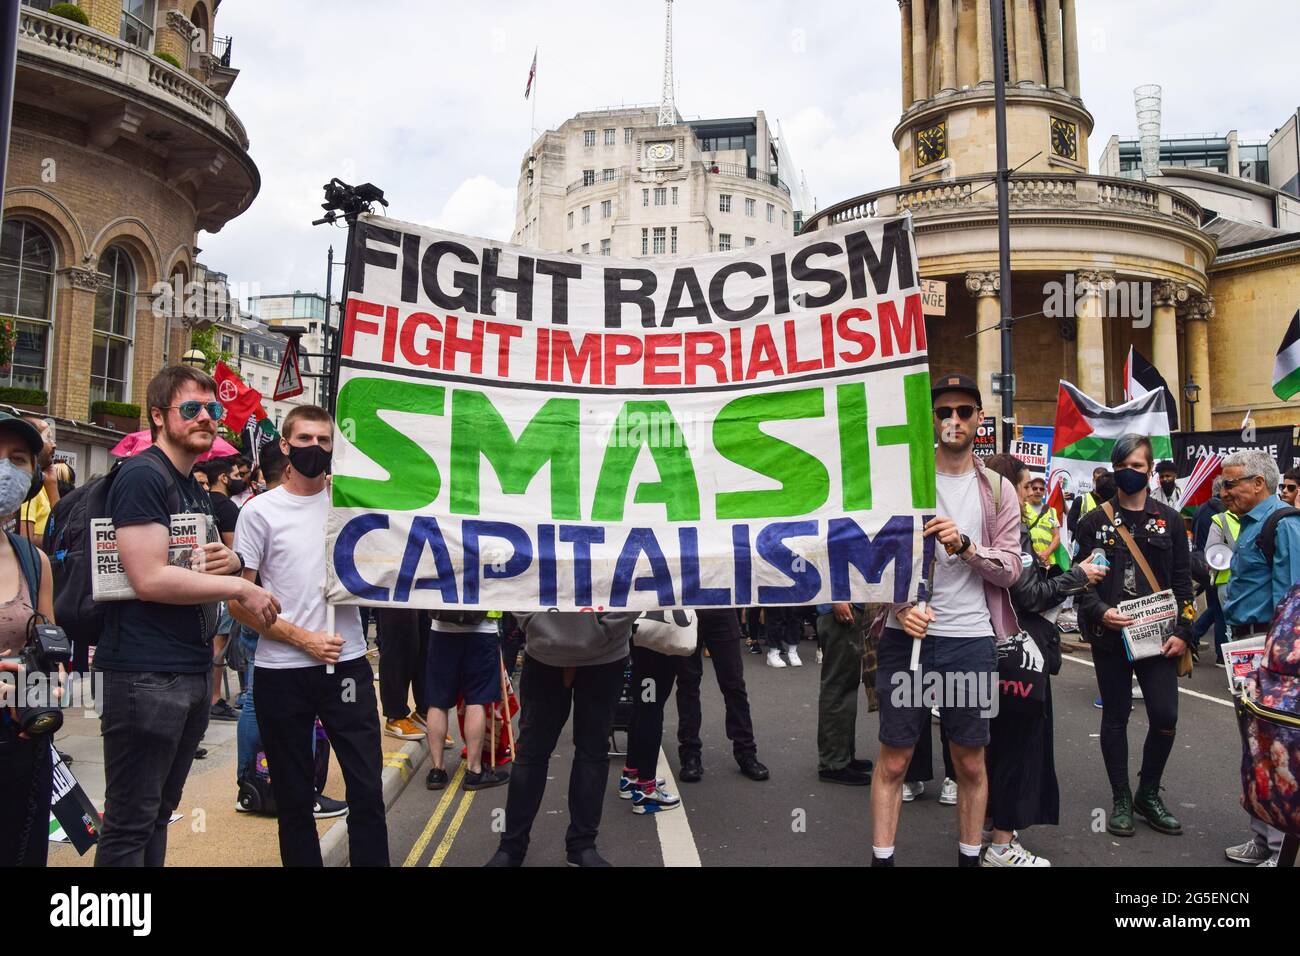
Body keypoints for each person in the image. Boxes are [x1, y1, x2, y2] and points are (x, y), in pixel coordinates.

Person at [93, 366, 280, 867]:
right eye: (191, 409)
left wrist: (233, 561)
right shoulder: (142, 476)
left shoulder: (190, 484)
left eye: (214, 410)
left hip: (187, 669)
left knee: (157, 814)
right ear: (158, 416)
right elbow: (149, 577)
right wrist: (237, 584)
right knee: (130, 822)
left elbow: (208, 557)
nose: (207, 418)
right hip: (144, 675)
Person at [870, 373, 1021, 868]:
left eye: (963, 411)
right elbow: (872, 560)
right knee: (895, 756)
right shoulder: (903, 482)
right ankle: (882, 859)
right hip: (905, 640)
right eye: (943, 413)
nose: (953, 420)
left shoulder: (998, 490)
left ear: (979, 419)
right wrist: (898, 607)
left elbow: (1012, 568)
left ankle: (970, 857)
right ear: (931, 420)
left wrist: (967, 547)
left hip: (969, 642)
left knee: (969, 759)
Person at [228, 405, 388, 866]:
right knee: (294, 799)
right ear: (285, 445)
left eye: (323, 441)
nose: (314, 449)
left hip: (349, 667)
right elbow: (239, 601)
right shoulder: (259, 513)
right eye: (305, 440)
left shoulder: (351, 505)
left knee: (365, 789)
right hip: (282, 671)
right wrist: (303, 639)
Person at [982, 454, 1105, 866]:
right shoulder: (1009, 531)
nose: (1027, 496)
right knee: (1018, 746)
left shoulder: (979, 524)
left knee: (987, 747)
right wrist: (1079, 576)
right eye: (1021, 488)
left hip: (981, 649)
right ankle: (1001, 843)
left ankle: (989, 832)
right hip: (1017, 654)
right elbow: (1030, 595)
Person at [1074, 434, 1193, 840]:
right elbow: (1079, 581)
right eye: (1122, 466)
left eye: (1138, 467)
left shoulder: (1170, 520)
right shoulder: (1092, 522)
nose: (1130, 473)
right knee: (1116, 716)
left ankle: (1147, 793)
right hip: (1111, 638)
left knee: (1165, 717)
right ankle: (1121, 797)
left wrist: (1184, 632)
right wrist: (1099, 611)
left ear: (1150, 469)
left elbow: (1183, 582)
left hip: (1159, 639)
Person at [486, 610, 638, 867]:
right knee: (531, 752)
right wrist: (535, 622)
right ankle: (512, 846)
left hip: (605, 655)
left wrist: (608, 628)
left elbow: (637, 578)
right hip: (546, 652)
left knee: (593, 751)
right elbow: (518, 580)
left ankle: (582, 845)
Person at [1218, 449, 1300, 867]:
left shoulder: (1282, 523)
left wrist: (1277, 661)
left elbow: (1292, 600)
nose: (1223, 491)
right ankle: (1262, 838)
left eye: (1230, 483)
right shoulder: (1252, 524)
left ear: (1258, 484)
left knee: (1277, 749)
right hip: (1246, 647)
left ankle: (1280, 848)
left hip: (1270, 652)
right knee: (1255, 748)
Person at [0, 413, 58, 866]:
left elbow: (48, 646)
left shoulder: (33, 560)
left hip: (19, 741)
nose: (5, 469)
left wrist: (47, 689)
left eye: (17, 460)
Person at [675, 608, 769, 783]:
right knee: (688, 684)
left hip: (720, 609)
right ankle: (690, 754)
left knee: (734, 685)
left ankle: (746, 752)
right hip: (686, 612)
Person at [421, 609, 509, 793]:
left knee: (438, 701)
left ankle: (437, 770)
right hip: (482, 629)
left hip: (442, 628)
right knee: (476, 699)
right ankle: (474, 770)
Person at [193, 456, 244, 722]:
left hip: (200, 583)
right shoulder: (227, 508)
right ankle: (214, 696)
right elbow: (234, 551)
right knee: (219, 643)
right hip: (220, 586)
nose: (239, 478)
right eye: (236, 473)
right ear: (223, 477)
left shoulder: (199, 502)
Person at [815, 601, 876, 785]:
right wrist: (836, 599)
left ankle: (843, 756)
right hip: (840, 607)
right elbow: (826, 570)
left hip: (848, 606)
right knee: (838, 686)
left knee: (846, 684)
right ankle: (834, 763)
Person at [620, 639, 682, 814]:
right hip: (656, 643)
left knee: (642, 707)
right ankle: (646, 787)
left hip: (640, 637)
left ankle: (632, 774)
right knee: (651, 709)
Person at [1192, 477, 1230, 662]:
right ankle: (1222, 655)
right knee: (1221, 611)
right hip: (1217, 566)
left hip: (1201, 563)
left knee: (1215, 607)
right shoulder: (1224, 513)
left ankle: (1193, 635)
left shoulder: (1201, 509)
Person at [16, 417, 59, 549]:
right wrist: (55, 538)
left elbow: (60, 521)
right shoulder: (28, 489)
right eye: (48, 438)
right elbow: (26, 540)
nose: (54, 445)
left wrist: (52, 486)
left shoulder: (42, 484)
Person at [1024, 476, 1061, 572]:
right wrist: (1035, 554)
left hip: (1048, 562)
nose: (1038, 491)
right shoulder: (1022, 508)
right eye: (1034, 488)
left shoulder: (1052, 511)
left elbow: (1056, 537)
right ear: (1029, 490)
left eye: (1041, 489)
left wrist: (1045, 554)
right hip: (1027, 560)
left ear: (1045, 492)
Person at [1067, 467, 1109, 538]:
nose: (1099, 483)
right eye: (1097, 480)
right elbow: (1071, 524)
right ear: (1093, 480)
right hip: (1084, 544)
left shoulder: (1113, 501)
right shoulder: (1080, 500)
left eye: (1102, 481)